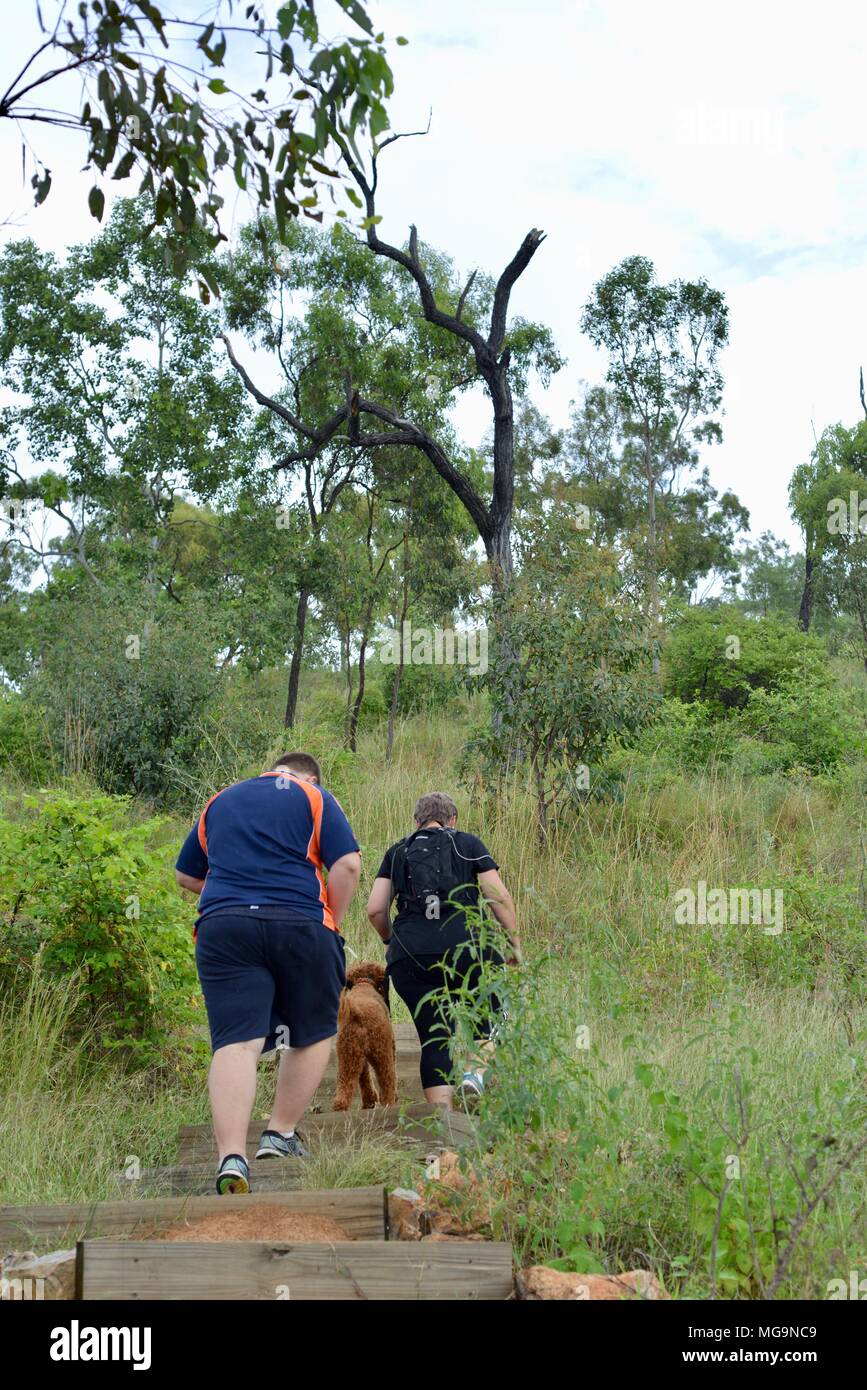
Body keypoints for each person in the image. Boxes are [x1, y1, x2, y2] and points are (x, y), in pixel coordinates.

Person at [175, 751, 361, 1194]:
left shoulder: (221, 799)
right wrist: (331, 920)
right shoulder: (314, 796)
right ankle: (279, 1133)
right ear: (311, 777)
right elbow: (348, 865)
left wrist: (232, 889)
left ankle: (231, 1157)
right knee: (312, 1031)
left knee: (236, 1041)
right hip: (300, 921)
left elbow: (185, 875)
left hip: (224, 926)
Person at [366, 791, 520, 1109]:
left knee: (435, 1039)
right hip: (470, 949)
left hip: (411, 957)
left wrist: (390, 941)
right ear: (453, 820)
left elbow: (376, 910)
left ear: (416, 822)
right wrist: (513, 944)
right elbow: (500, 898)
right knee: (490, 1018)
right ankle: (474, 1076)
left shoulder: (397, 852)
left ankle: (444, 1125)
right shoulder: (467, 844)